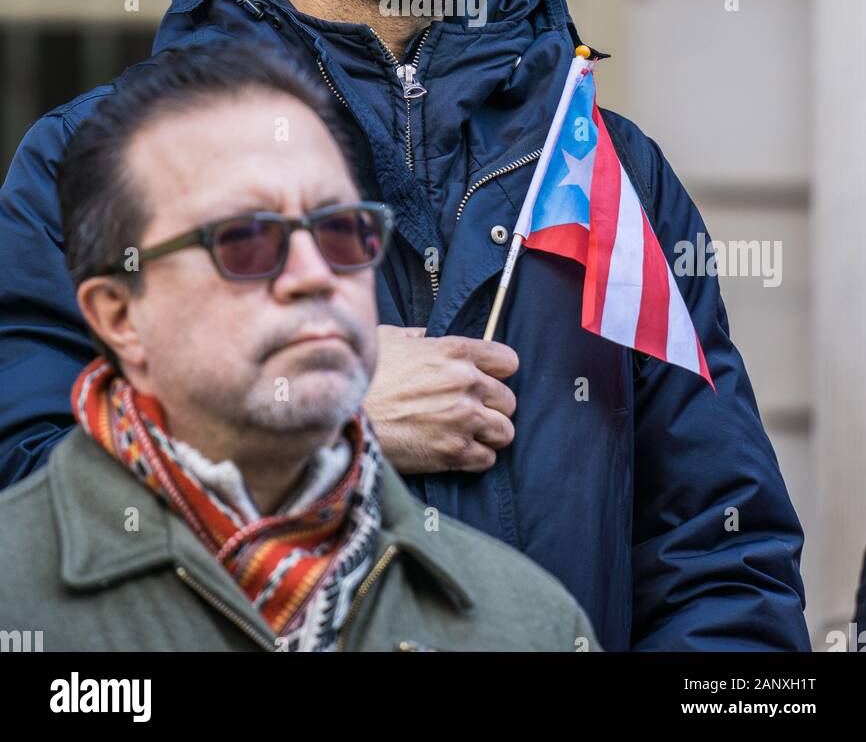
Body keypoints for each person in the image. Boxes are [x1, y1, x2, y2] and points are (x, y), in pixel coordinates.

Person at [0, 0, 810, 650]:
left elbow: (722, 561)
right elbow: (28, 505)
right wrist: (315, 422)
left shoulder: (611, 171)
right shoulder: (90, 165)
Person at [0, 42, 600, 653]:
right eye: (246, 238)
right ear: (120, 315)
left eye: (341, 229)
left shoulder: (532, 626)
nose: (315, 274)